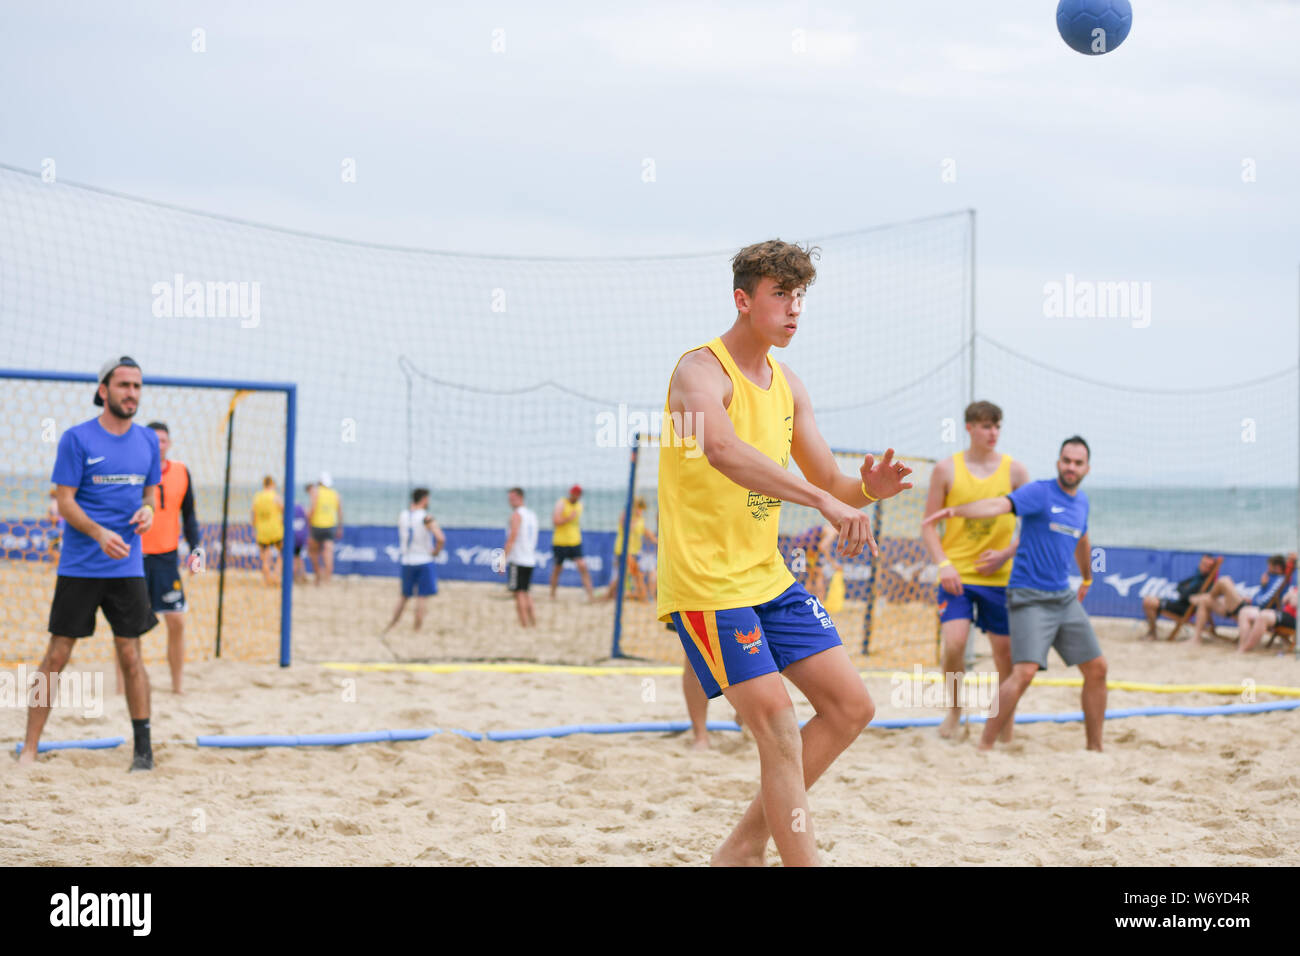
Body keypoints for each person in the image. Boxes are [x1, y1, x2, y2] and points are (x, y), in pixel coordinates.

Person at [658, 239, 912, 865]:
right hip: (706, 583)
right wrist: (823, 503)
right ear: (743, 300)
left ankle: (742, 847)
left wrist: (865, 492)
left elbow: (830, 479)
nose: (795, 309)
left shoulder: (788, 384)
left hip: (766, 579)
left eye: (801, 296)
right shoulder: (698, 371)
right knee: (776, 726)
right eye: (781, 294)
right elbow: (723, 451)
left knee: (851, 707)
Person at [20, 356, 161, 771]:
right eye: (123, 386)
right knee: (57, 656)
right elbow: (64, 501)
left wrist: (149, 513)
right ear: (104, 390)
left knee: (131, 655)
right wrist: (99, 533)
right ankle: (29, 748)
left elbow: (150, 497)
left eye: (137, 386)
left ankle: (143, 753)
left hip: (127, 567)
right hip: (80, 564)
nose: (131, 393)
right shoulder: (77, 439)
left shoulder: (148, 442)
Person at [924, 436, 1105, 752]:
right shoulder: (1040, 492)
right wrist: (955, 512)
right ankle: (984, 745)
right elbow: (998, 505)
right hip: (1027, 596)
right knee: (1023, 672)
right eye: (1066, 460)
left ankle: (1095, 748)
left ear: (1087, 467)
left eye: (1078, 462)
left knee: (1098, 668)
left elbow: (1082, 540)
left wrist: (1087, 577)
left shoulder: (1082, 502)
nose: (1071, 467)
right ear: (1058, 463)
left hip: (1062, 596)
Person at [920, 400, 1029, 739]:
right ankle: (954, 714)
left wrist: (1008, 552)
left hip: (1000, 577)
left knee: (1006, 655)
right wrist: (944, 564)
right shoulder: (946, 469)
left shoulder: (1015, 471)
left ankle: (1004, 721)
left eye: (997, 425)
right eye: (985, 426)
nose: (992, 432)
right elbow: (927, 525)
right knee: (954, 644)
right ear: (968, 427)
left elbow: (1033, 524)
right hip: (958, 577)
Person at [132, 421, 201, 696]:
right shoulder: (132, 472)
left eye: (163, 440)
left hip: (166, 559)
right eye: (153, 440)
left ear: (169, 443)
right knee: (129, 627)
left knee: (177, 621)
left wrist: (196, 551)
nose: (159, 444)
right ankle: (124, 686)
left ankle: (177, 687)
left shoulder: (182, 472)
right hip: (134, 558)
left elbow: (190, 517)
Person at [383, 488, 445, 633]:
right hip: (424, 560)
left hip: (407, 561)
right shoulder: (426, 517)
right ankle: (417, 629)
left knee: (404, 596)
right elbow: (441, 538)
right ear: (423, 499)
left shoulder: (403, 515)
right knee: (422, 597)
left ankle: (392, 624)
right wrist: (435, 552)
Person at [1190, 554, 1289, 644]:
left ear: (1278, 567)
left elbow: (1264, 603)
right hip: (1246, 605)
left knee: (1224, 581)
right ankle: (1196, 639)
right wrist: (1262, 586)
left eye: (1270, 566)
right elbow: (1263, 598)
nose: (1268, 568)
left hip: (1250, 608)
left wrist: (1252, 600)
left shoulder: (1279, 580)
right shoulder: (1271, 578)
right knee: (1205, 601)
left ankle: (1203, 596)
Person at [1139, 553, 1216, 640]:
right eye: (1202, 563)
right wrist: (1185, 591)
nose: (1202, 566)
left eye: (1205, 565)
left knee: (1148, 601)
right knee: (1149, 599)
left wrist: (1185, 591)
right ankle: (1152, 631)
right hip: (1180, 604)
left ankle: (1152, 633)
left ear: (1210, 568)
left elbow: (1184, 594)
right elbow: (1179, 586)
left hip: (1183, 609)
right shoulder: (1197, 577)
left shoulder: (1204, 581)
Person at [605, 497, 656, 601]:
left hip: (634, 551)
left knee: (627, 576)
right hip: (623, 550)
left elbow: (645, 532)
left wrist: (656, 541)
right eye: (639, 508)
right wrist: (635, 516)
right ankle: (643, 598)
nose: (641, 511)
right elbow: (627, 528)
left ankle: (609, 595)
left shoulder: (641, 518)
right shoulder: (626, 515)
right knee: (634, 575)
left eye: (642, 509)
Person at [502, 486, 539, 627]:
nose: (510, 502)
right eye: (509, 499)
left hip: (518, 559)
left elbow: (512, 538)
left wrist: (501, 560)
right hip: (530, 558)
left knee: (518, 593)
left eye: (512, 498)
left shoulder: (516, 515)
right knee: (526, 592)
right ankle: (533, 623)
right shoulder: (532, 515)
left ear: (520, 497)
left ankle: (524, 625)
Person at [549, 485, 594, 600]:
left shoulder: (580, 505)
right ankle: (552, 594)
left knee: (583, 566)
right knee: (557, 569)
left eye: (579, 494)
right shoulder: (561, 503)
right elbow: (555, 521)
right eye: (575, 493)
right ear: (571, 493)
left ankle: (590, 595)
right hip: (560, 542)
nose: (577, 496)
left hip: (575, 541)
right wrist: (568, 518)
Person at [1237, 584, 1297, 653]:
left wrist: (1292, 596)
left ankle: (1245, 649)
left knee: (1264, 616)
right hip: (1284, 614)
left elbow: (1294, 603)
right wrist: (1291, 596)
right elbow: (1284, 599)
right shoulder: (1296, 587)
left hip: (1294, 619)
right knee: (1245, 611)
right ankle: (1242, 645)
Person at [308, 472, 343, 584]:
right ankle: (327, 578)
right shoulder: (335, 494)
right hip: (330, 526)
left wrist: (308, 521)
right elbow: (340, 513)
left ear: (320, 482)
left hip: (317, 525)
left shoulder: (315, 492)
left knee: (314, 552)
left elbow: (312, 509)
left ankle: (318, 574)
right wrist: (340, 528)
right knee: (328, 552)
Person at [251, 475, 284, 587]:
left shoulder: (257, 497)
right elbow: (284, 510)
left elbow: (253, 515)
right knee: (283, 552)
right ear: (272, 484)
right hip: (275, 530)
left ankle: (268, 579)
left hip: (262, 530)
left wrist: (254, 526)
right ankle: (276, 574)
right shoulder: (275, 496)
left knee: (265, 556)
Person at [291, 483, 312, 583]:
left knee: (294, 558)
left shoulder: (288, 508)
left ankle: (295, 576)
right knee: (300, 557)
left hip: (293, 536)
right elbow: (308, 518)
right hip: (301, 536)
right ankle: (303, 575)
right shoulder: (302, 507)